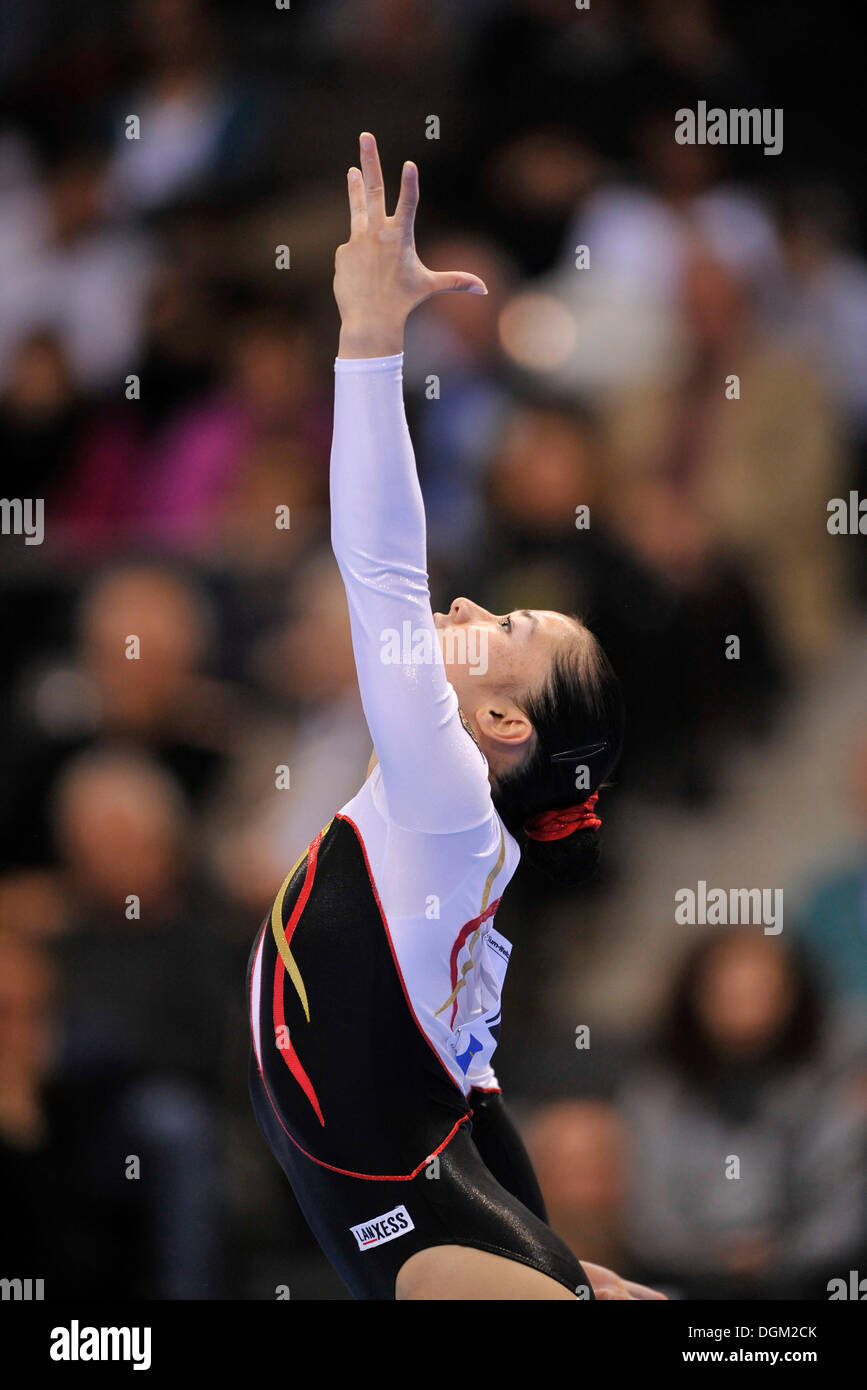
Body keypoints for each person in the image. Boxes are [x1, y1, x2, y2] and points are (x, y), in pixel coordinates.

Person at [246, 133, 664, 1303]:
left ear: (496, 720)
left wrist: (370, 334)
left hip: (427, 1235)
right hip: (452, 1206)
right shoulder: (439, 824)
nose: (469, 601)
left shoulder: (445, 805)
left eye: (506, 627)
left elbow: (379, 564)